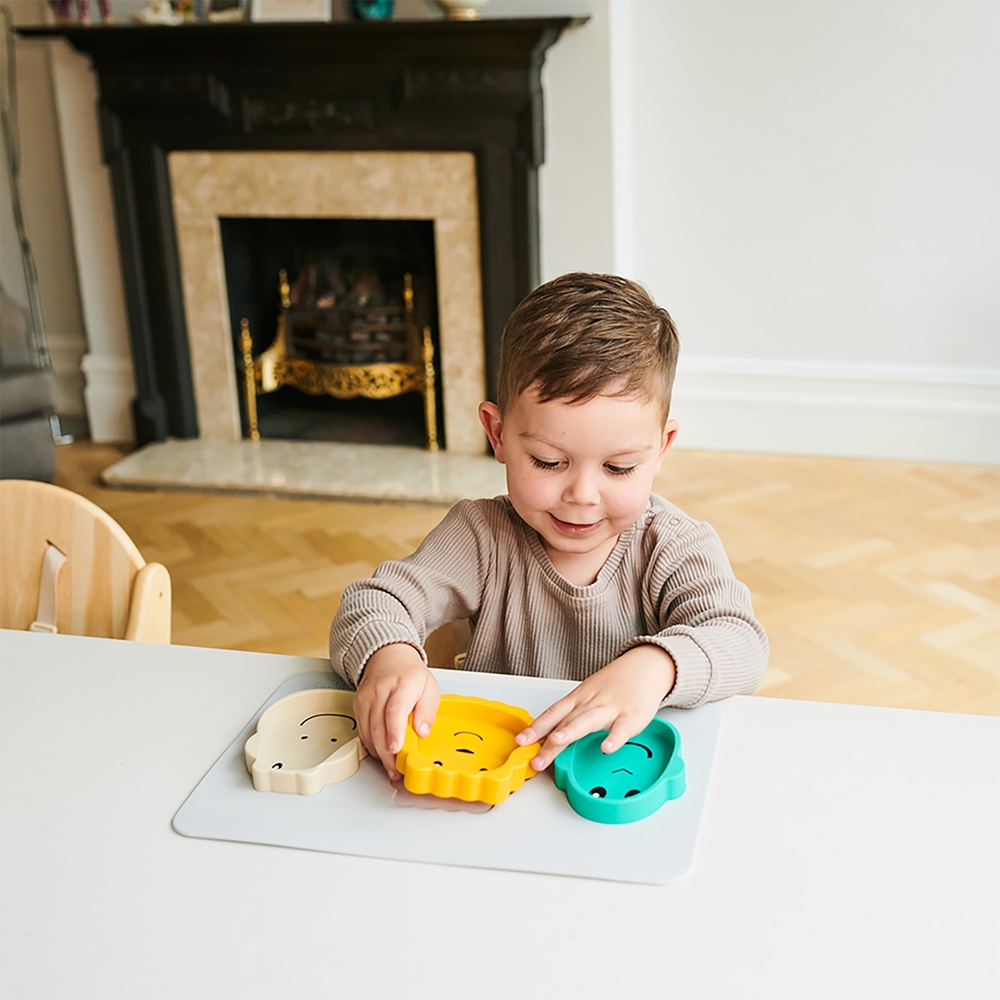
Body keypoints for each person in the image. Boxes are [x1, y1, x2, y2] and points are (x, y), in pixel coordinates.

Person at [329, 272, 767, 781]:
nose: (582, 495)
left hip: (614, 777)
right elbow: (372, 600)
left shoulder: (672, 545)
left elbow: (741, 642)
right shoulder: (481, 535)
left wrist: (658, 666)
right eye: (547, 461)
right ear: (498, 435)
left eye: (619, 468)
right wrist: (389, 656)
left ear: (661, 450)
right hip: (491, 776)